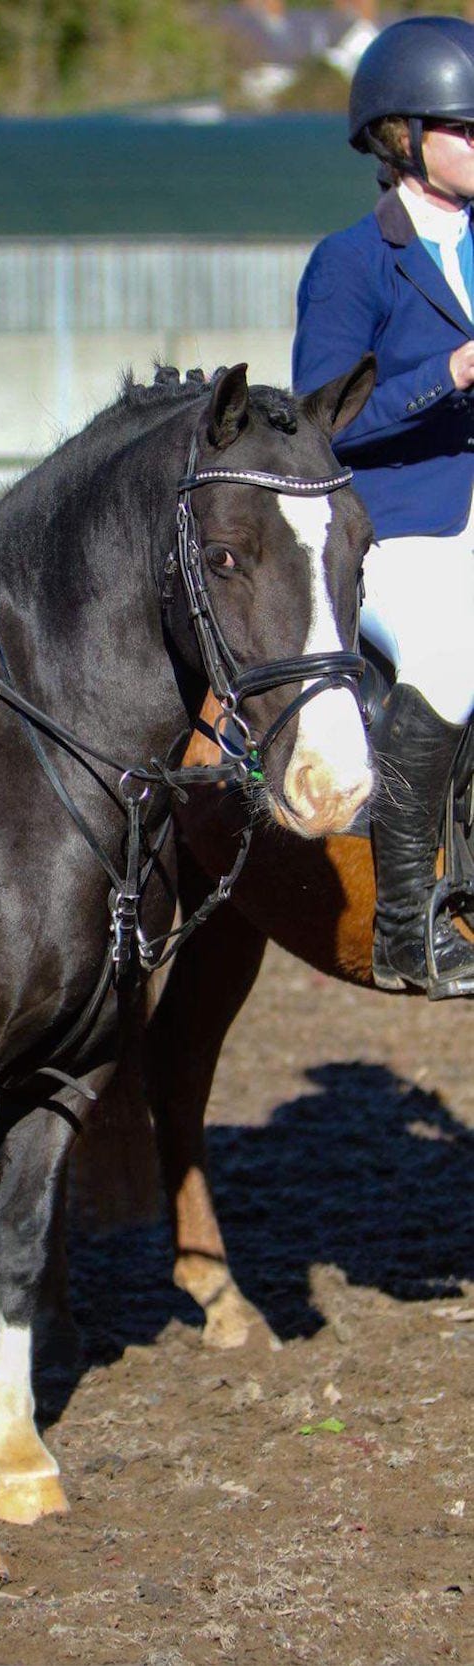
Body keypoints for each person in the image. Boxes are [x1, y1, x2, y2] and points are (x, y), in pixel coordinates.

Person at [292, 14, 474, 999]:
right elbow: (321, 416)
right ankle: (407, 924)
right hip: (396, 526)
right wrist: (445, 371)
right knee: (452, 649)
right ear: (403, 135)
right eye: (469, 128)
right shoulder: (351, 262)